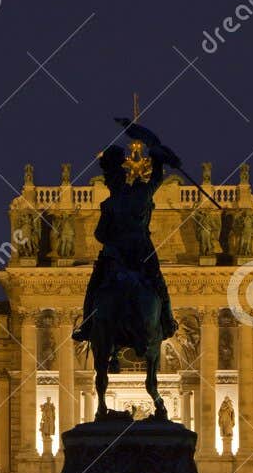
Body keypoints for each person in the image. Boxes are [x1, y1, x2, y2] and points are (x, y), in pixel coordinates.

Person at [71, 145, 177, 342]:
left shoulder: (110, 203)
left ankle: (86, 325)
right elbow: (156, 179)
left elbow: (100, 234)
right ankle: (168, 320)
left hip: (116, 254)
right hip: (142, 252)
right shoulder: (143, 194)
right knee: (159, 284)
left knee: (94, 286)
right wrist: (158, 160)